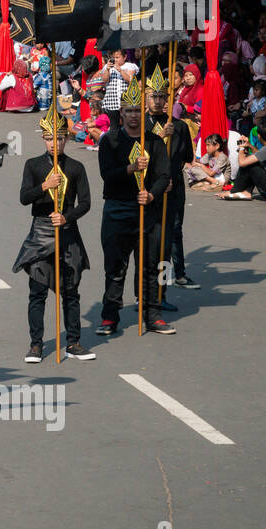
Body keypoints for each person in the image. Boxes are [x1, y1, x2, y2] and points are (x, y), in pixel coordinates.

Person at [13, 103, 94, 364]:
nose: (54, 143)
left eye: (59, 138)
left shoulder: (76, 167)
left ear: (66, 138)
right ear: (43, 139)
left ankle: (74, 342)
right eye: (49, 138)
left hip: (67, 232)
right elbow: (24, 198)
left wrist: (66, 217)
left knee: (71, 291)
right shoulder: (33, 165)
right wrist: (45, 186)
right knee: (37, 291)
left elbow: (86, 203)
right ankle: (36, 345)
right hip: (40, 233)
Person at [96, 77, 175, 337]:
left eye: (137, 110)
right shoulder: (110, 141)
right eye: (128, 111)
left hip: (147, 210)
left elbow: (164, 175)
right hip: (118, 209)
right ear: (121, 113)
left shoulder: (154, 142)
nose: (133, 115)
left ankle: (152, 314)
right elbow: (107, 174)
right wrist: (131, 168)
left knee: (150, 265)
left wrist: (151, 195)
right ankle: (110, 316)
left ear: (144, 112)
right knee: (115, 267)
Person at [148, 66, 199, 293]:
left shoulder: (180, 127)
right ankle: (156, 277)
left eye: (162, 97)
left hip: (175, 184)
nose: (158, 101)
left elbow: (186, 157)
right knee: (154, 231)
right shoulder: (141, 127)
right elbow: (141, 155)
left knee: (175, 229)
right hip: (150, 186)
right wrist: (161, 137)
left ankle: (178, 273)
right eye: (154, 97)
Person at [218, 119, 266, 201]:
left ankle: (234, 191)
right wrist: (250, 145)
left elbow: (242, 163)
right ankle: (246, 192)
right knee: (252, 160)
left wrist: (241, 148)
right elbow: (260, 155)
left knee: (249, 163)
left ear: (259, 136)